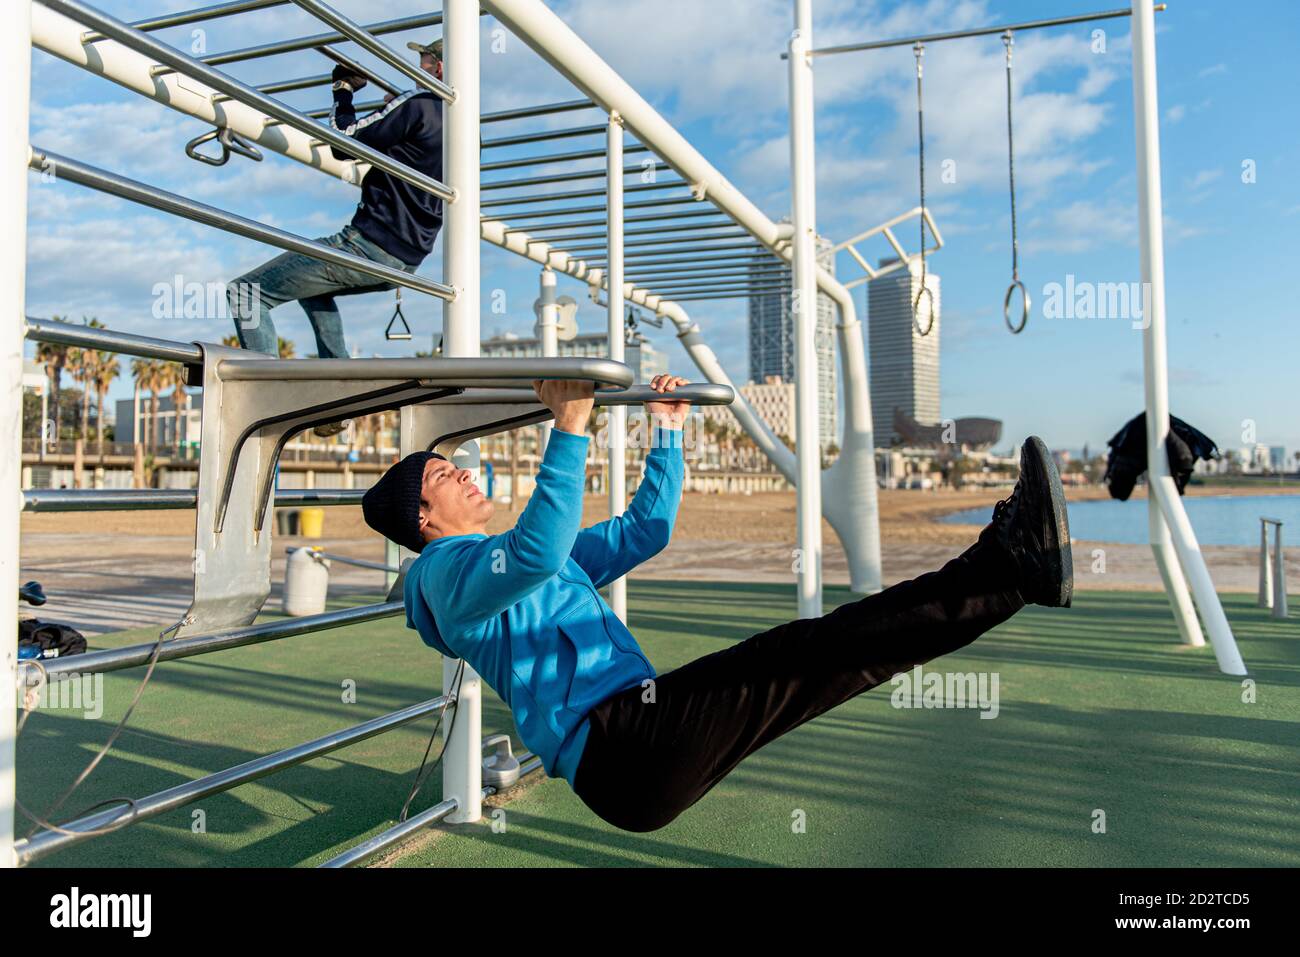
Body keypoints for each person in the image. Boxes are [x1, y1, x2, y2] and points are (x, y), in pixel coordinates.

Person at [360, 374, 1074, 833]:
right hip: (619, 746)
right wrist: (569, 425)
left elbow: (647, 529)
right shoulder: (445, 576)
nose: (467, 475)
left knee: (833, 659)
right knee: (820, 651)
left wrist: (667, 428)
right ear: (424, 518)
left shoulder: (506, 565)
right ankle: (1010, 562)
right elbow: (536, 553)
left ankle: (1013, 571)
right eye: (450, 475)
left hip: (635, 739)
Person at [225, 38, 446, 405]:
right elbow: (403, 148)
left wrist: (342, 91)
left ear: (438, 68)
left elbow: (342, 142)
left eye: (423, 62)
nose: (419, 70)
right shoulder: (469, 130)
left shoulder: (420, 104)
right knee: (314, 289)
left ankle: (262, 401)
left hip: (369, 245)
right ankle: (337, 400)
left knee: (247, 293)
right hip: (408, 259)